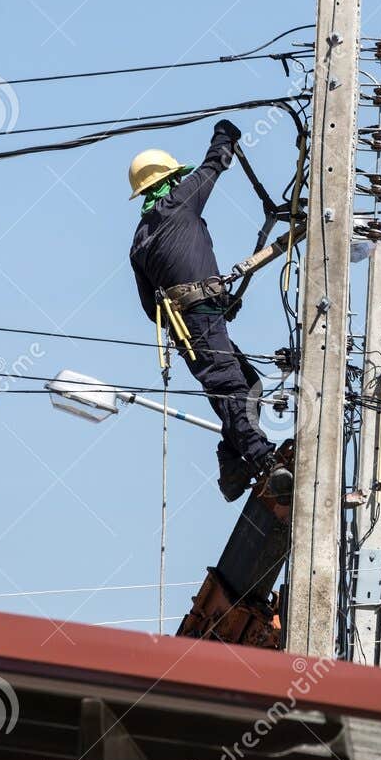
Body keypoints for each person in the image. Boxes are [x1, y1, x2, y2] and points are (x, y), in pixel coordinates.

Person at [128, 120, 285, 502]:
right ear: (168, 180)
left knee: (249, 385)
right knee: (232, 389)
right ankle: (264, 461)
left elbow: (153, 309)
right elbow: (214, 165)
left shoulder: (139, 240)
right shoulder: (178, 201)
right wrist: (225, 134)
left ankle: (233, 465)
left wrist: (213, 300)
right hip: (198, 322)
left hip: (190, 326)